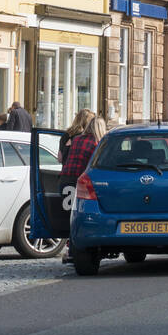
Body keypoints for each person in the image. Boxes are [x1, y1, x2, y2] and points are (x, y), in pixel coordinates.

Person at [58, 109, 101, 263]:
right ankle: (75, 248)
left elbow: (60, 158)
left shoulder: (70, 138)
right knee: (78, 215)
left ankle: (71, 247)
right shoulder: (94, 142)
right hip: (79, 179)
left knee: (69, 215)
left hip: (64, 177)